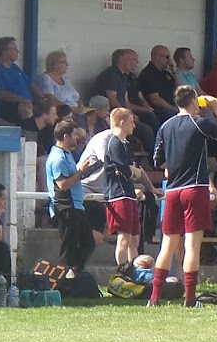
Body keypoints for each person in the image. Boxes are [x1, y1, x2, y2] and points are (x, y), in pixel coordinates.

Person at [150, 86, 217, 306]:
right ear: (194, 101)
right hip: (194, 188)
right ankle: (189, 298)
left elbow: (157, 160)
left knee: (167, 245)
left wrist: (175, 167)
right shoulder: (198, 122)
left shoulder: (165, 126)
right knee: (192, 246)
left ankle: (154, 297)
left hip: (173, 190)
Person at [88, 108, 143, 269]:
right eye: (131, 122)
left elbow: (131, 169)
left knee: (134, 239)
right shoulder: (114, 143)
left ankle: (135, 270)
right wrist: (132, 171)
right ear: (122, 122)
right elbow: (122, 168)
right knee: (124, 238)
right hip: (119, 195)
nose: (134, 125)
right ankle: (122, 270)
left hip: (128, 194)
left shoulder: (125, 144)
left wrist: (133, 172)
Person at [46, 118, 94, 278]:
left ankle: (74, 272)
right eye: (74, 135)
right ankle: (63, 278)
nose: (77, 138)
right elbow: (63, 185)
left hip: (76, 207)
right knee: (69, 249)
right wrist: (80, 172)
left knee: (88, 242)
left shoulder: (67, 155)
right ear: (66, 136)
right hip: (66, 208)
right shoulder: (58, 158)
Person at [96, 48, 156, 150]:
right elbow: (113, 100)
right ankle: (153, 161)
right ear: (120, 61)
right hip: (113, 115)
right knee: (146, 130)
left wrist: (132, 114)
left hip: (125, 113)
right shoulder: (112, 75)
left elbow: (126, 100)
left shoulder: (124, 76)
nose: (135, 62)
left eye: (135, 60)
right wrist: (129, 116)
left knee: (151, 116)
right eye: (131, 59)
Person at [0, 36, 35, 122]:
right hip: (7, 109)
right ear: (4, 52)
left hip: (27, 103)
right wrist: (22, 99)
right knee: (26, 110)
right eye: (14, 49)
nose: (18, 51)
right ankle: (27, 135)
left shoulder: (14, 67)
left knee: (50, 110)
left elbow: (31, 84)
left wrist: (43, 98)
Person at [137, 45, 180, 125]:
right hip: (158, 110)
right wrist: (175, 110)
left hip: (171, 107)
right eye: (167, 57)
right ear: (157, 57)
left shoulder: (165, 73)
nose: (169, 60)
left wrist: (174, 71)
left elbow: (180, 88)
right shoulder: (148, 73)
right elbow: (155, 100)